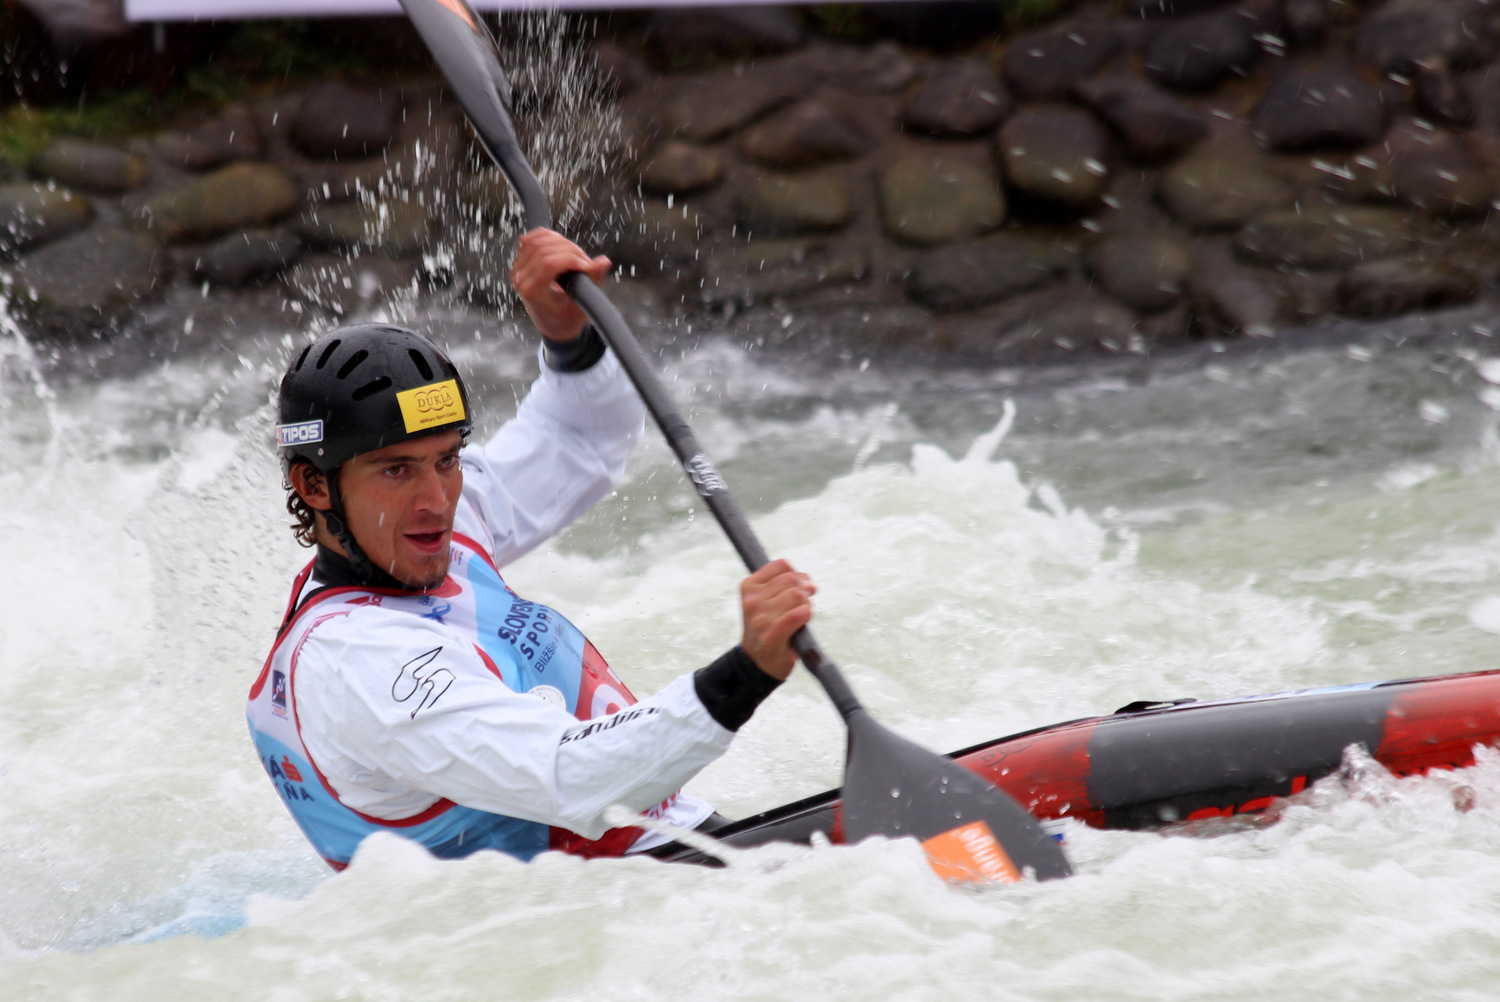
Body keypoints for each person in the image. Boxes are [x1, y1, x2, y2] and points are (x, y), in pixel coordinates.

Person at [247, 229, 815, 870]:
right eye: (396, 470)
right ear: (314, 485)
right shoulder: (355, 662)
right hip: (597, 919)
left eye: (447, 459)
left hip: (666, 857)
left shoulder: (435, 530)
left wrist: (568, 334)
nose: (437, 497)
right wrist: (748, 671)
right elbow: (569, 777)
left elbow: (576, 438)